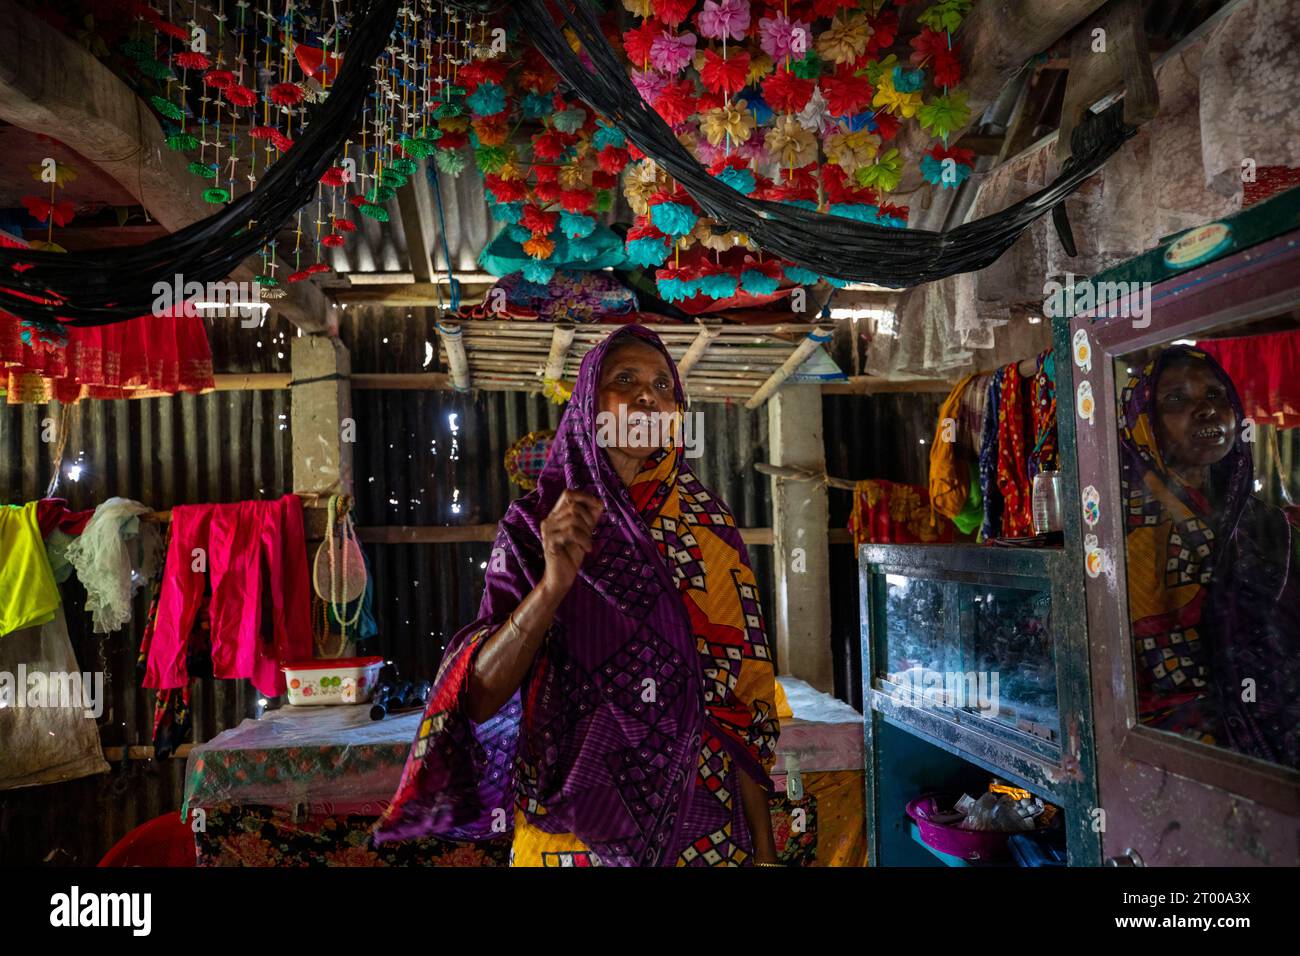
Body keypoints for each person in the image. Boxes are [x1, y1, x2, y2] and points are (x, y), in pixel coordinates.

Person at [375, 325, 781, 865]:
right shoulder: (536, 525)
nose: (647, 396)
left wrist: (767, 852)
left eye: (664, 386)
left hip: (702, 826)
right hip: (573, 833)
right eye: (626, 379)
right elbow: (478, 698)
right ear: (589, 405)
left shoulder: (708, 527)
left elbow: (743, 704)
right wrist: (553, 586)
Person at [1119, 344, 1300, 769]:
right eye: (1176, 399)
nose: (1206, 410)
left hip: (1270, 728)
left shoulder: (1254, 518)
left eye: (1216, 395)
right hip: (1178, 745)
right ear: (1143, 423)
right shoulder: (1127, 526)